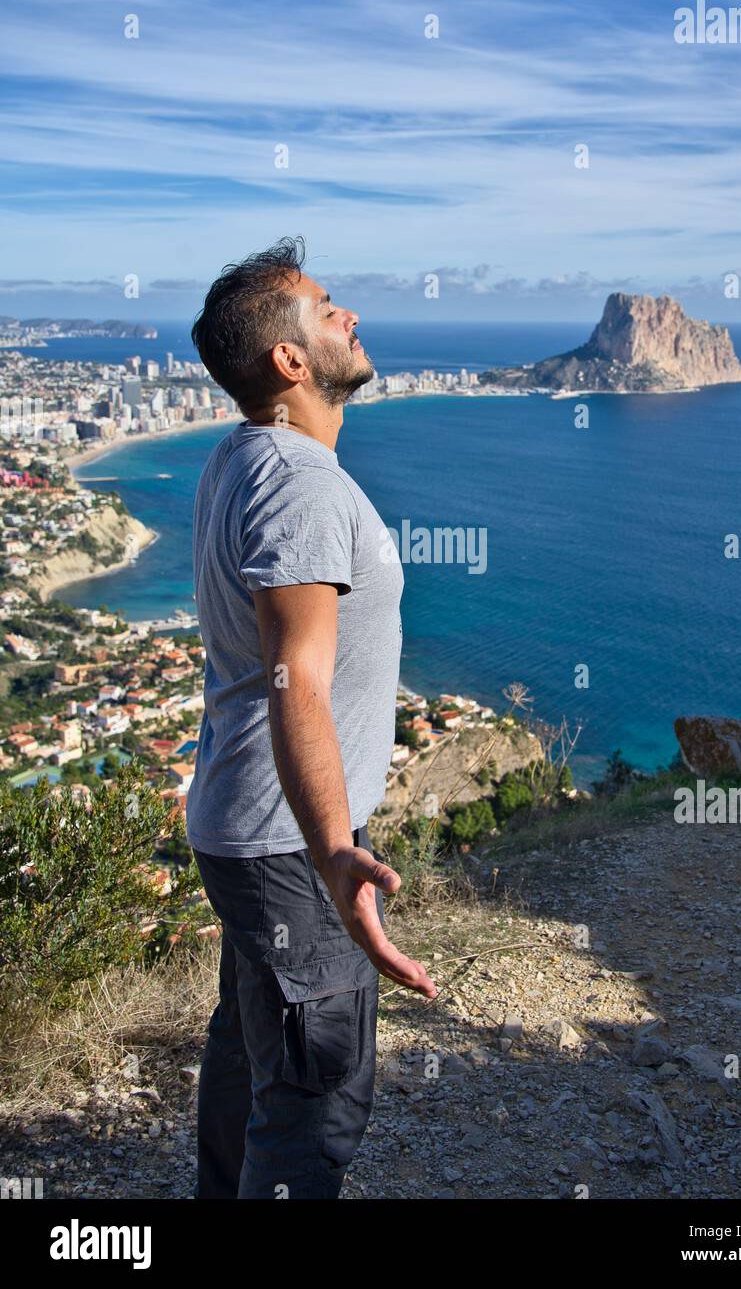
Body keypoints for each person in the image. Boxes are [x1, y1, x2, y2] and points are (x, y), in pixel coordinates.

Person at [186, 236, 436, 1200]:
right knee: (315, 1099)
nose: (351, 317)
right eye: (329, 308)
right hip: (289, 843)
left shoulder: (240, 457)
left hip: (244, 826)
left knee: (254, 1057)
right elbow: (299, 678)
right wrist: (336, 850)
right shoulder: (301, 483)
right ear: (291, 361)